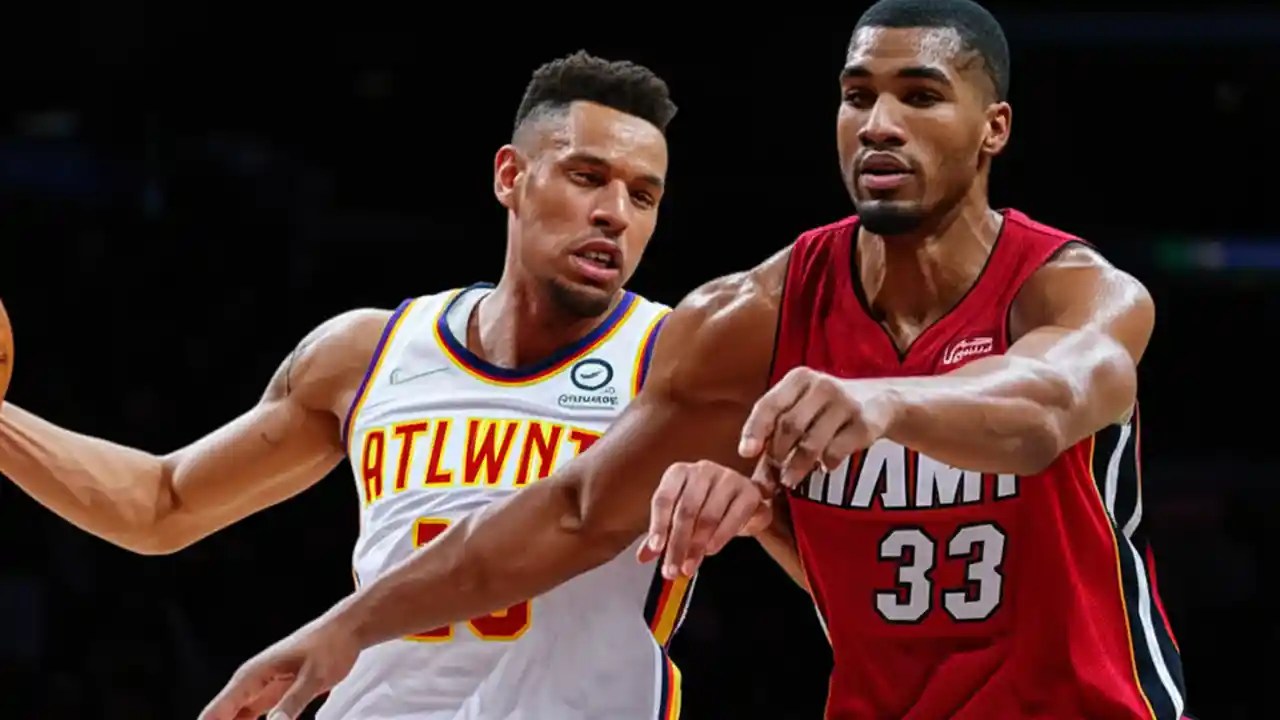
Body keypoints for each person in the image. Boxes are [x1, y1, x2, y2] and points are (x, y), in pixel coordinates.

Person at [200, 2, 1189, 719]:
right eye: (856, 97)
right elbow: (575, 510)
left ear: (991, 130)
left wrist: (885, 403)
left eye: (918, 96)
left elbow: (1045, 407)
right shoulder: (753, 311)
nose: (878, 123)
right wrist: (342, 631)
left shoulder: (1070, 291)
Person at [0, 51, 717, 720]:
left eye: (644, 195)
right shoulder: (367, 354)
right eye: (588, 176)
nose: (615, 214)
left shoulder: (677, 361)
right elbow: (162, 503)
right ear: (510, 177)